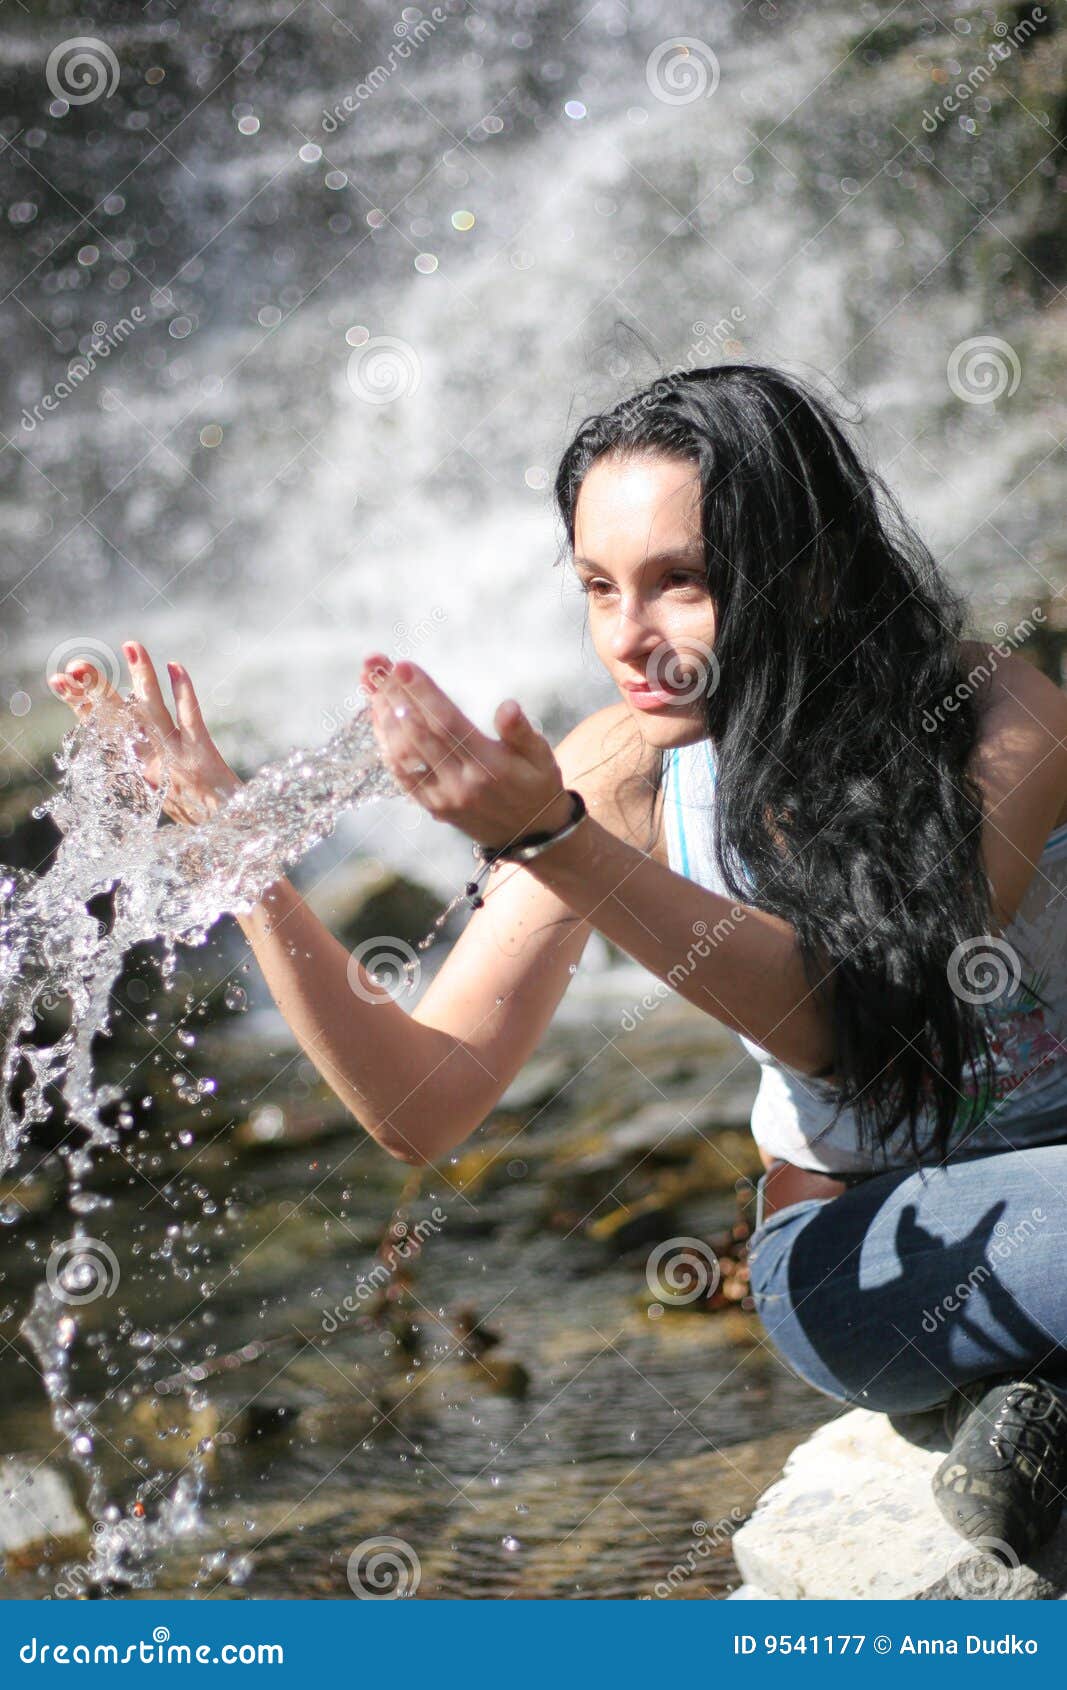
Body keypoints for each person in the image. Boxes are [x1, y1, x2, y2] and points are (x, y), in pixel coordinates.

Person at [48, 363, 1067, 1565]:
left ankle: (1034, 1414)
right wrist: (244, 869)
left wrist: (556, 842)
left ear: (815, 574)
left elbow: (885, 1017)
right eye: (596, 588)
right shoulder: (620, 775)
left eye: (679, 583)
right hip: (863, 1258)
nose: (627, 639)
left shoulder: (992, 710)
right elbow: (424, 1101)